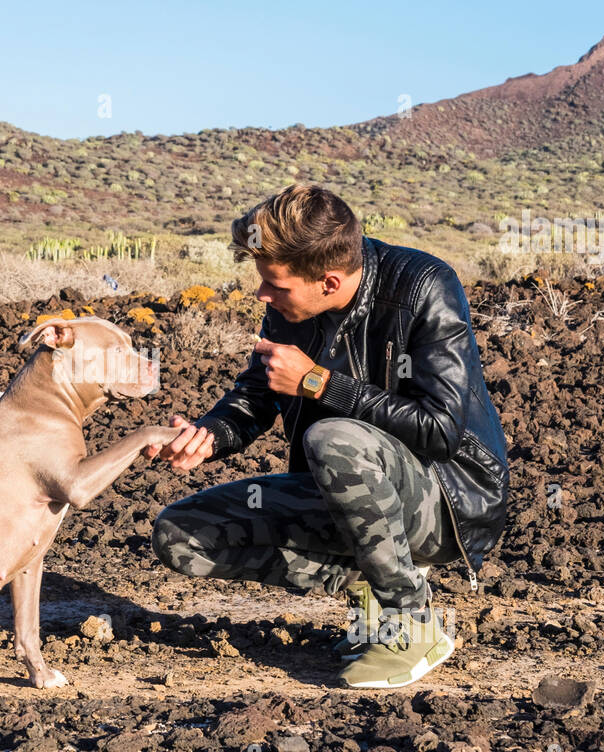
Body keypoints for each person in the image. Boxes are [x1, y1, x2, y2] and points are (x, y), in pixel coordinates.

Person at [147, 184, 509, 688]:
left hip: (448, 501)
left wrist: (318, 382)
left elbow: (441, 430)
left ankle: (412, 622)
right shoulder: (291, 308)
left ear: (329, 281)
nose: (262, 296)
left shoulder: (424, 286)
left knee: (332, 438)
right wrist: (210, 433)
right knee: (179, 535)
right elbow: (257, 393)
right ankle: (370, 586)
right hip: (352, 491)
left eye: (275, 285)